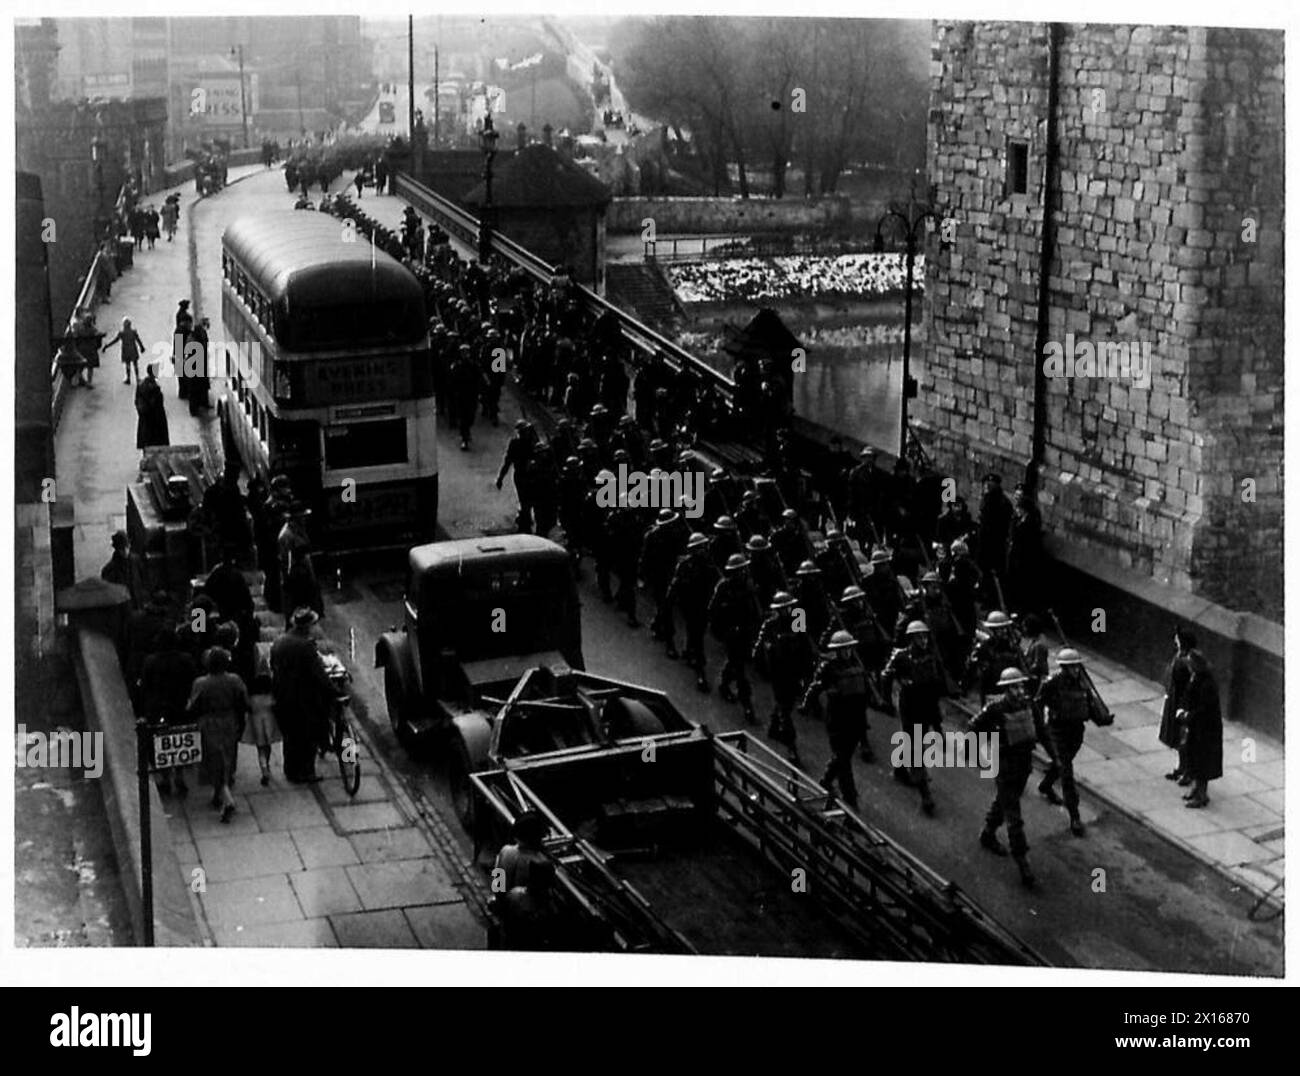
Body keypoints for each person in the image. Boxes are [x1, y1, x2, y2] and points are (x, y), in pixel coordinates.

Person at [969, 666, 1039, 889]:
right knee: (1014, 817)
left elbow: (1042, 731)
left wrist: (1054, 756)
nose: (1019, 691)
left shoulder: (1029, 704)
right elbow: (973, 727)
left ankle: (988, 833)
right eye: (1014, 687)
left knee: (1004, 803)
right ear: (1006, 689)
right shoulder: (995, 709)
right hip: (1005, 767)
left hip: (1023, 766)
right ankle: (1023, 863)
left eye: (1020, 686)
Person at [1036, 647, 1108, 835]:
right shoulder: (1052, 683)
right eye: (1071, 667)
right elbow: (1037, 704)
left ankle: (1046, 784)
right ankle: (1075, 817)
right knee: (1066, 772)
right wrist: (1039, 730)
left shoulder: (1082, 682)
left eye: (1077, 666)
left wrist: (1102, 719)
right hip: (1057, 730)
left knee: (1063, 763)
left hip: (1076, 731)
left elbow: (1090, 704)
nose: (1076, 670)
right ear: (1063, 667)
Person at [882, 620, 945, 815]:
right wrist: (887, 699)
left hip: (927, 705)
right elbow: (886, 675)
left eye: (925, 636)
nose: (923, 640)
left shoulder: (931, 657)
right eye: (919, 637)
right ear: (911, 638)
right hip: (909, 705)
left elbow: (937, 682)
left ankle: (900, 768)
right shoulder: (901, 656)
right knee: (916, 747)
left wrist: (938, 720)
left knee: (917, 740)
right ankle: (925, 793)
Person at [801, 630, 870, 806]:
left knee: (843, 756)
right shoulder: (829, 667)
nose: (846, 652)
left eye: (848, 648)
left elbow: (865, 688)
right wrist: (806, 704)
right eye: (843, 649)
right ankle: (850, 799)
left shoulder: (857, 664)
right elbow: (816, 687)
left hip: (856, 720)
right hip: (838, 720)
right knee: (844, 761)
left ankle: (826, 779)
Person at [269, 607, 336, 783]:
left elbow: (272, 666)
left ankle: (290, 770)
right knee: (308, 737)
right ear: (308, 626)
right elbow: (319, 675)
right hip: (304, 700)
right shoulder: (306, 646)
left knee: (290, 737)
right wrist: (332, 691)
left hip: (282, 697)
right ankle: (306, 772)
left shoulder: (279, 641)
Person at [186, 646, 250, 823]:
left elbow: (193, 707)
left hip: (209, 724)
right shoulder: (235, 680)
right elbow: (244, 701)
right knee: (227, 758)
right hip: (229, 722)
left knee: (213, 760)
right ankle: (219, 794)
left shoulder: (201, 683)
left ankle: (226, 799)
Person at [138, 625, 198, 798]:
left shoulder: (150, 661)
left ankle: (165, 777)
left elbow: (145, 686)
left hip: (158, 708)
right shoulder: (185, 659)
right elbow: (192, 681)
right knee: (179, 740)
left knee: (161, 741)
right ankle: (179, 774)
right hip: (179, 706)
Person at [754, 591, 816, 750]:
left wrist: (808, 667)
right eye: (782, 608)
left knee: (786, 704)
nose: (786, 611)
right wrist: (763, 668)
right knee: (785, 708)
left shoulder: (797, 619)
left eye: (788, 607)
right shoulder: (770, 625)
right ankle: (791, 744)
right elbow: (761, 648)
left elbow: (805, 644)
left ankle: (773, 728)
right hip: (778, 673)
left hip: (794, 671)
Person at [492, 811, 557, 949]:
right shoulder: (541, 862)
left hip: (508, 911)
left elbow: (497, 885)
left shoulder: (506, 852)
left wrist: (500, 901)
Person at [708, 553, 761, 724]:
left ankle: (724, 683)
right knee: (740, 671)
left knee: (737, 661)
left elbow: (753, 609)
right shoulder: (724, 587)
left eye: (743, 569)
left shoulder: (748, 584)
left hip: (746, 631)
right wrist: (721, 630)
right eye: (739, 570)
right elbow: (714, 609)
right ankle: (747, 706)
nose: (742, 572)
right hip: (731, 632)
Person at [668, 532, 717, 694]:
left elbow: (714, 588)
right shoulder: (685, 565)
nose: (703, 550)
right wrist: (671, 598)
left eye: (704, 547)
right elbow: (676, 583)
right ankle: (700, 670)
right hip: (688, 604)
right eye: (699, 547)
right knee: (696, 636)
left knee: (696, 632)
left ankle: (689, 650)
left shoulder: (709, 566)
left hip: (703, 605)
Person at [1178, 637, 1223, 809]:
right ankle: (1196, 789)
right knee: (1193, 759)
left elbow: (1204, 709)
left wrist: (1188, 716)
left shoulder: (1207, 684)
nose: (1188, 666)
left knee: (1202, 763)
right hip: (1196, 728)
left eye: (1190, 663)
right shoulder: (1196, 677)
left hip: (1205, 730)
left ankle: (1201, 795)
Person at [496, 420, 538, 532]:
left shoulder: (532, 442)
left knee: (531, 500)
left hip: (533, 475)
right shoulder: (515, 444)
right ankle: (525, 521)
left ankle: (526, 518)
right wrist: (501, 477)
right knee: (524, 500)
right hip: (521, 475)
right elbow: (508, 461)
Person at [101, 529, 144, 608]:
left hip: (137, 603)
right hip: (122, 608)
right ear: (117, 549)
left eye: (126, 547)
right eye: (122, 549)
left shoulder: (136, 560)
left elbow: (143, 579)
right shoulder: (109, 570)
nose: (125, 551)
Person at [134, 365, 169, 450]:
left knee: (146, 441)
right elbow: (157, 404)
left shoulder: (141, 384)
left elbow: (136, 401)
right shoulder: (154, 388)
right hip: (154, 420)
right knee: (155, 442)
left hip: (144, 418)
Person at [102, 317, 145, 385]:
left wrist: (106, 346)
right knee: (135, 364)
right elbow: (138, 340)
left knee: (127, 364)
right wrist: (142, 347)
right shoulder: (133, 332)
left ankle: (128, 378)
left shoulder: (121, 333)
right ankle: (137, 378)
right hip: (133, 349)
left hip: (125, 350)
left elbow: (114, 340)